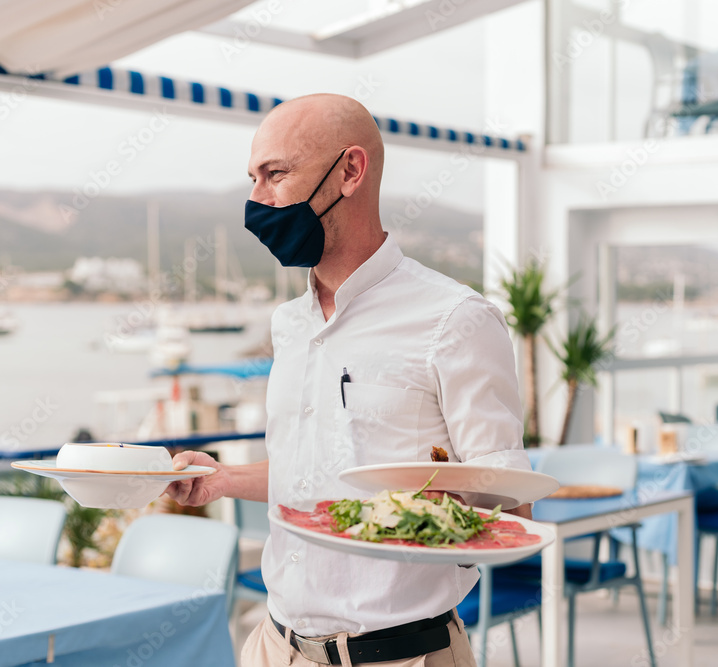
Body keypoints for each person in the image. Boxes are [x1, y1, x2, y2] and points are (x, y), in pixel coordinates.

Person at [165, 93, 533, 666]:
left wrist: (436, 506)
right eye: (252, 178)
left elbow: (511, 508)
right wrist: (223, 480)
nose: (257, 199)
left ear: (350, 171)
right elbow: (318, 474)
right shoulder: (288, 323)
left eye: (275, 174)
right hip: (274, 647)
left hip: (400, 655)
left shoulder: (456, 320)